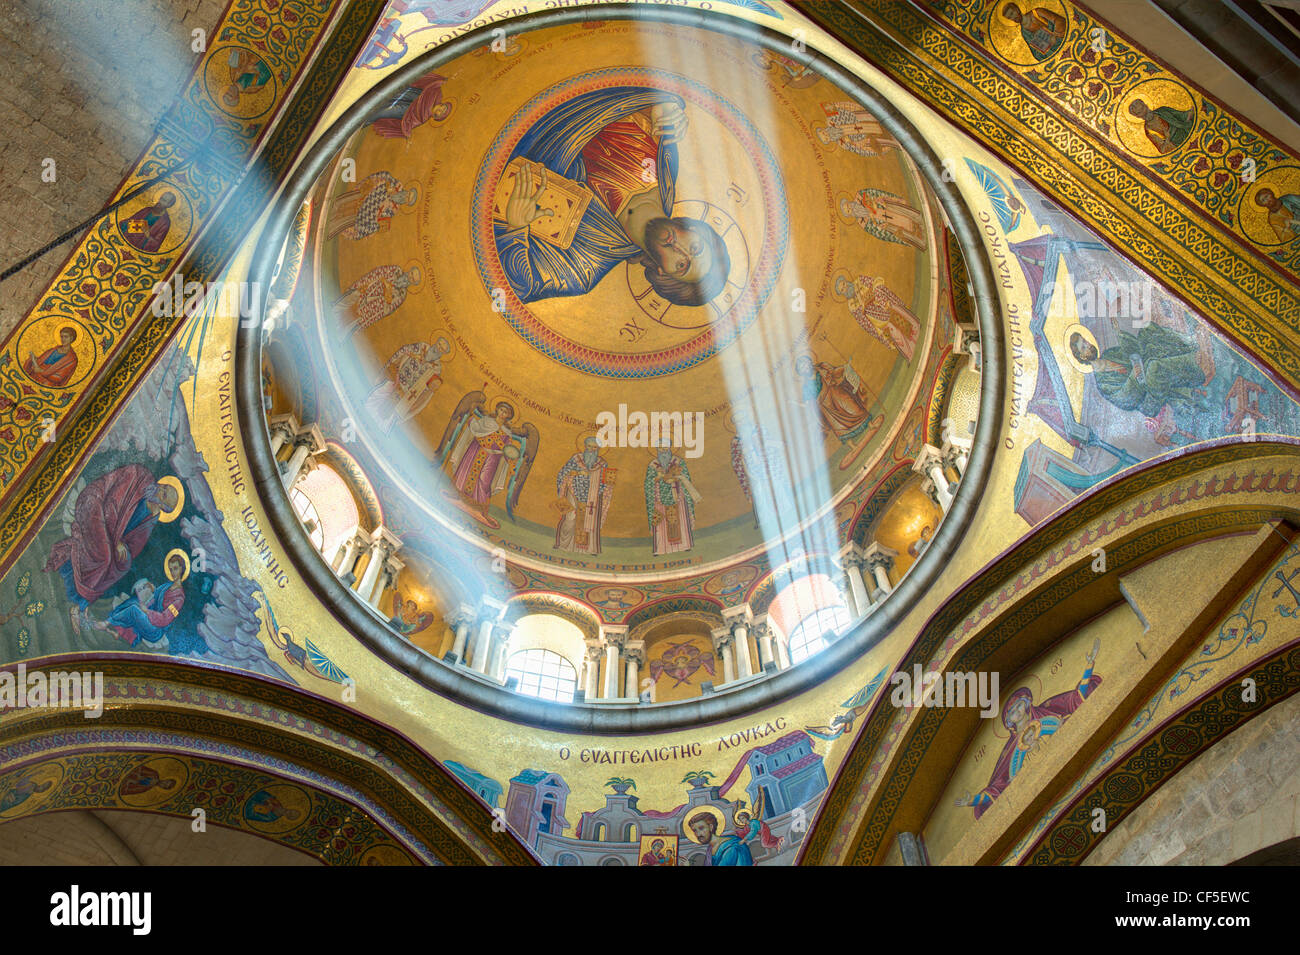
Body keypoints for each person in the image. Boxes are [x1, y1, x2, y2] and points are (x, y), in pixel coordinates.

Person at [495, 85, 731, 307]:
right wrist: (660, 104)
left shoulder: (585, 265)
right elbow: (623, 87)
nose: (679, 248)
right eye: (696, 247)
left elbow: (519, 288)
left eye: (682, 265)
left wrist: (515, 228)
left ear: (662, 272)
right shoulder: (663, 160)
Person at [956, 640, 1102, 818]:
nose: (1017, 712)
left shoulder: (1046, 711)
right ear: (1009, 722)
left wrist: (1089, 666)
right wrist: (972, 801)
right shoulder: (1010, 752)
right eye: (1012, 712)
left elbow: (1074, 700)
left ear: (1026, 705)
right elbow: (998, 786)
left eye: (1019, 706)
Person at [45, 466, 182, 634]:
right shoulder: (141, 477)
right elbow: (111, 502)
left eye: (164, 494)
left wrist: (123, 550)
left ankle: (82, 604)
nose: (161, 488)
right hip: (98, 505)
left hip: (112, 535)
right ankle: (78, 599)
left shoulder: (151, 518)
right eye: (165, 487)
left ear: (163, 506)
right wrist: (116, 540)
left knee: (122, 566)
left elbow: (135, 545)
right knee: (105, 557)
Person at [1068, 324, 1209, 418]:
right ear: (1082, 357)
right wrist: (1135, 376)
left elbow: (1132, 350)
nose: (1088, 344)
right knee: (1154, 367)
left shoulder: (1109, 354)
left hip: (1145, 368)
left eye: (1085, 341)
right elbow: (1127, 400)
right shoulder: (1103, 383)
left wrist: (1117, 328)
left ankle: (1190, 343)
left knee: (1146, 330)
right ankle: (1196, 371)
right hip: (1146, 399)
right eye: (1084, 347)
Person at [554, 436, 615, 555]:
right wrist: (576, 473)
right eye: (589, 446)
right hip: (573, 492)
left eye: (595, 447)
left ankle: (590, 549)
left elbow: (607, 482)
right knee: (570, 518)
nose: (592, 450)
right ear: (584, 446)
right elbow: (563, 473)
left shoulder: (602, 464)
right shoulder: (576, 459)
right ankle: (564, 544)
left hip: (592, 497)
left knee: (590, 522)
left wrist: (595, 480)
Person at [644, 444, 701, 556]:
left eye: (665, 448)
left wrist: (675, 478)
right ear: (656, 450)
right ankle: (660, 548)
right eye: (660, 449)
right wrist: (657, 477)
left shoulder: (678, 462)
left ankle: (685, 545)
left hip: (677, 497)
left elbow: (685, 477)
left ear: (670, 448)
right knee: (661, 523)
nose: (663, 451)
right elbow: (648, 483)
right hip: (659, 500)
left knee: (680, 520)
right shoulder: (653, 465)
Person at [336, 264, 421, 334]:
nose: (409, 278)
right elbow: (379, 272)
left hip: (372, 308)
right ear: (409, 271)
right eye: (411, 274)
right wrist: (383, 284)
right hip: (367, 290)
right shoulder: (396, 270)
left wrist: (387, 293)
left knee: (351, 322)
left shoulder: (402, 294)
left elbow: (388, 309)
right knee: (347, 303)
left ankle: (339, 332)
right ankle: (334, 312)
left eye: (412, 279)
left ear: (413, 283)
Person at [1000, 3, 1067, 60]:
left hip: (1064, 40)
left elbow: (1059, 20)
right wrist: (1047, 48)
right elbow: (1036, 53)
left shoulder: (1037, 13)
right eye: (1009, 17)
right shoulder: (1025, 33)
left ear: (1017, 9)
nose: (1013, 17)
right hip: (1054, 53)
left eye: (1012, 13)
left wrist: (1056, 35)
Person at [1127, 98, 1195, 155]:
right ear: (1137, 116)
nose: (1144, 112)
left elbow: (1182, 116)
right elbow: (1162, 149)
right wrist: (1167, 138)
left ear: (1146, 105)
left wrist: (1191, 111)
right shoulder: (1149, 130)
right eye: (1139, 112)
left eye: (1143, 108)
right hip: (1178, 145)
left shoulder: (1162, 110)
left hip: (1187, 132)